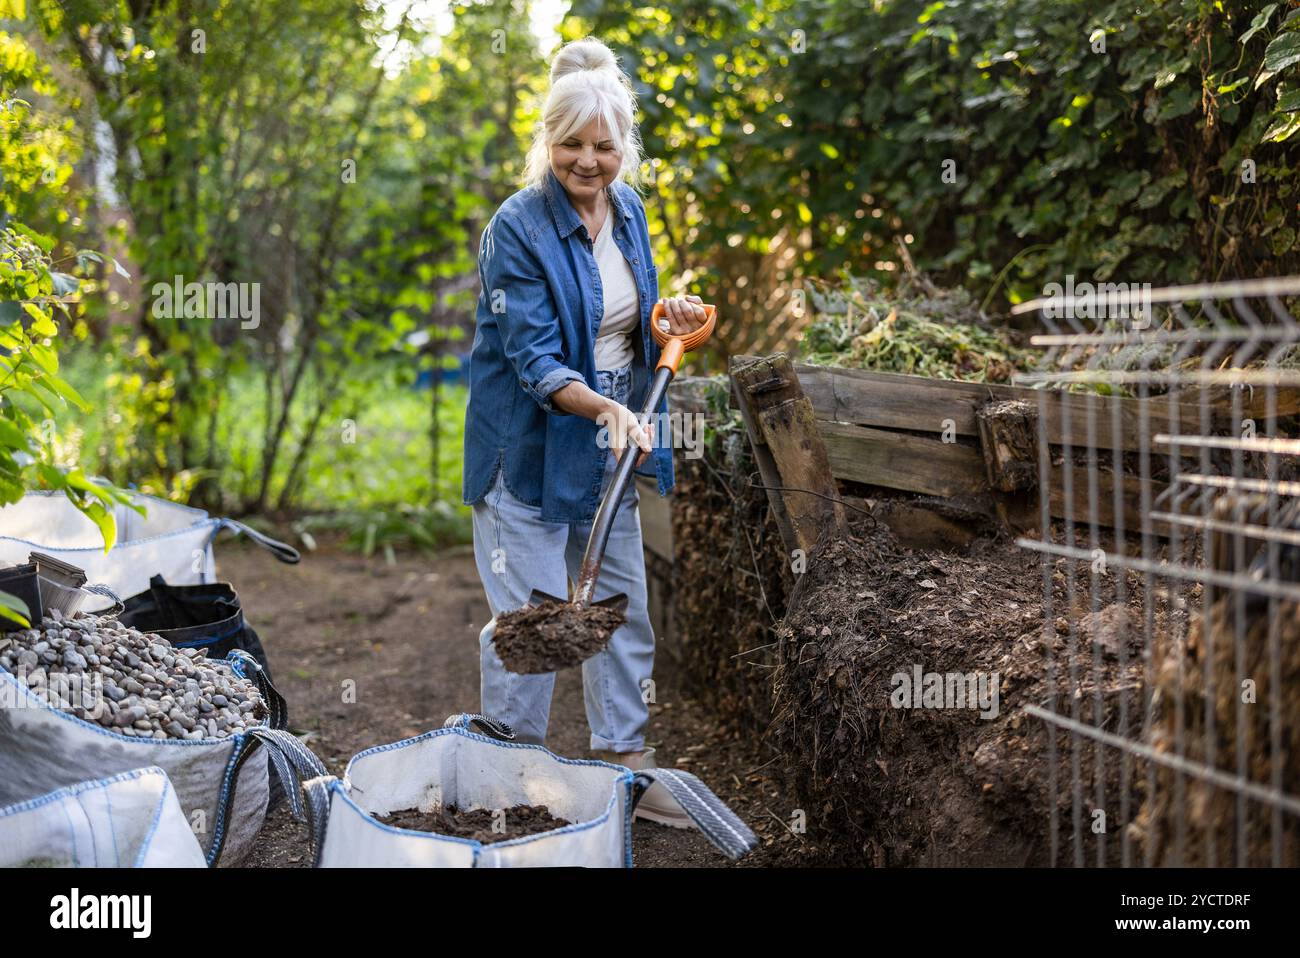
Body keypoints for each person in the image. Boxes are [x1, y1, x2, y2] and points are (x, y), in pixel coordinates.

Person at [461, 36, 708, 828]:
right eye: (570, 144)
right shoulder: (517, 228)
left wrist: (665, 318)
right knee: (534, 620)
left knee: (620, 607)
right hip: (531, 449)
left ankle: (627, 769)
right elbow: (535, 360)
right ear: (547, 143)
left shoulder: (628, 208)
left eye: (604, 146)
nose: (588, 162)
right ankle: (509, 772)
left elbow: (629, 312)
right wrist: (606, 410)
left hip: (610, 436)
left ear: (623, 148)